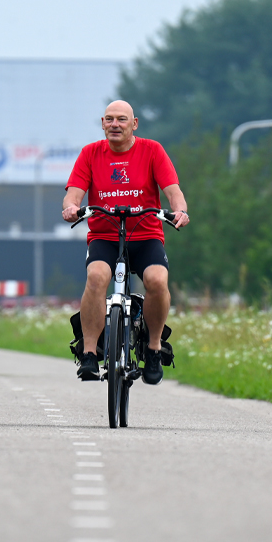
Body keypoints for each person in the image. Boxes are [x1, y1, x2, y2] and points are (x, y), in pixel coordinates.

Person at [61, 99, 189, 383]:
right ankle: (90, 355)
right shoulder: (90, 153)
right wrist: (71, 207)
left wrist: (179, 210)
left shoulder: (152, 151)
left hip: (145, 234)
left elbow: (173, 190)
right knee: (96, 278)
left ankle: (154, 347)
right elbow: (74, 192)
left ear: (134, 124)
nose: (115, 125)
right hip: (105, 235)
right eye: (109, 119)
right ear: (103, 124)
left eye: (121, 119)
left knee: (157, 281)